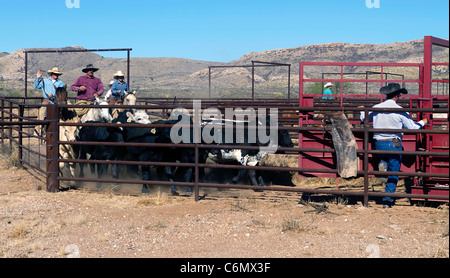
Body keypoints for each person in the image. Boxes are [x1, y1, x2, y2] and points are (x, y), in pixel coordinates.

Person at [360, 83, 428, 208]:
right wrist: (423, 122)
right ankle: (387, 200)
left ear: (387, 94)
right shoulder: (401, 110)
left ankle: (383, 163)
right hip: (394, 142)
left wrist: (361, 110)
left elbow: (364, 120)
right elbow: (412, 127)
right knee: (394, 171)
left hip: (378, 143)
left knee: (384, 158)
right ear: (398, 96)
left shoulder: (376, 108)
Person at [33, 67, 65, 135]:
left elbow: (62, 93)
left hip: (56, 101)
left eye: (57, 74)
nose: (56, 75)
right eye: (55, 74)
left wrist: (53, 95)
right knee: (42, 113)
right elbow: (36, 86)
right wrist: (38, 78)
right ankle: (38, 131)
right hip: (46, 101)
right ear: (52, 74)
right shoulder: (45, 81)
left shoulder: (60, 83)